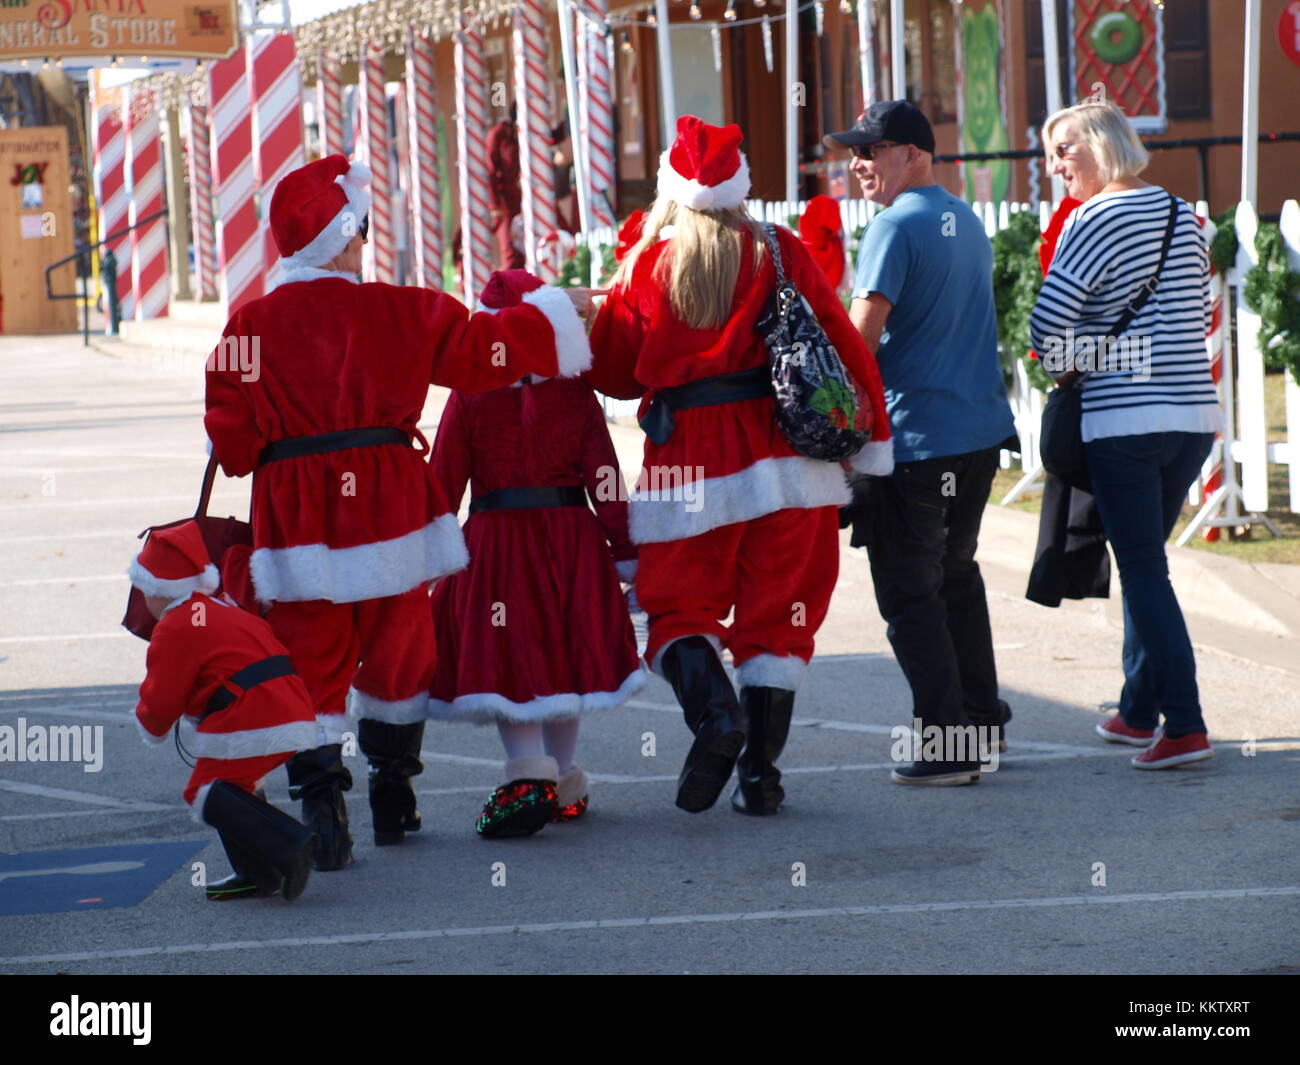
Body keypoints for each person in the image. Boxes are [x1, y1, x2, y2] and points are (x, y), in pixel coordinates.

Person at [205, 155, 594, 869]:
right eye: (360, 230)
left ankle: (323, 809)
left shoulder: (249, 326)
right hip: (390, 514)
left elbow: (231, 443)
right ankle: (394, 796)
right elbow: (485, 353)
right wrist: (559, 317)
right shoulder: (402, 309)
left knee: (310, 662)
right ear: (345, 235)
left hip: (299, 526)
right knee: (398, 651)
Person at [587, 115, 892, 816]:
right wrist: (870, 442)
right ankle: (761, 775)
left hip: (689, 462)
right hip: (788, 460)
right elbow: (845, 342)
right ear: (738, 188)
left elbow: (613, 373)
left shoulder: (651, 260)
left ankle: (715, 719)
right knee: (778, 618)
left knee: (677, 605)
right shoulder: (778, 248)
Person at [827, 100, 1018, 786]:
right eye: (855, 151)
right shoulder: (962, 218)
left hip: (918, 441)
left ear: (911, 153)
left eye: (871, 150)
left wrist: (834, 429)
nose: (857, 162)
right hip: (976, 434)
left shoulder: (894, 224)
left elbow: (860, 339)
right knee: (956, 574)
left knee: (911, 593)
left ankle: (948, 744)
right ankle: (979, 720)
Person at [1029, 102, 1222, 769]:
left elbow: (1048, 333)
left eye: (1062, 149)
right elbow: (1199, 315)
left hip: (1125, 424)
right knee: (1148, 563)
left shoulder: (1091, 218)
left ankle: (1186, 725)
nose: (1054, 166)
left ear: (1100, 145)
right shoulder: (1184, 216)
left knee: (1142, 568)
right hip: (1193, 419)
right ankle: (1140, 710)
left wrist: (1092, 361)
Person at [428, 270, 644, 837]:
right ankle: (565, 778)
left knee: (508, 654)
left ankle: (528, 775)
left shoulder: (472, 391)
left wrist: (426, 549)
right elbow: (604, 475)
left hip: (496, 538)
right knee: (564, 653)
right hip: (569, 536)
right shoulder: (573, 387)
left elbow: (443, 478)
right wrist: (624, 548)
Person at [129, 521, 318, 902]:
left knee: (206, 790)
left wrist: (151, 724)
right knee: (233, 787)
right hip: (289, 704)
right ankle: (255, 873)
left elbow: (162, 697)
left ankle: (290, 845)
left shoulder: (177, 625)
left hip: (253, 713)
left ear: (157, 591)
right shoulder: (219, 605)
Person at [486, 103, 526, 270]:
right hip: (507, 204)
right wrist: (494, 204)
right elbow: (490, 170)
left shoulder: (533, 134)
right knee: (511, 255)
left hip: (532, 201)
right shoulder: (500, 134)